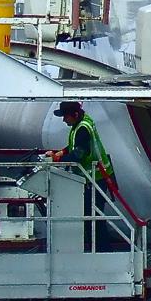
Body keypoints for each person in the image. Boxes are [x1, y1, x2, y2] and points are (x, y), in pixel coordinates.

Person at [49, 101, 118, 250]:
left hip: (97, 178)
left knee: (93, 216)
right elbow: (77, 145)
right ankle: (98, 247)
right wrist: (63, 152)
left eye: (65, 117)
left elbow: (80, 153)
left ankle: (102, 250)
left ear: (74, 115)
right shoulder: (81, 123)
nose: (63, 120)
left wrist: (58, 160)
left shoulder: (82, 128)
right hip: (96, 176)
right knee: (92, 214)